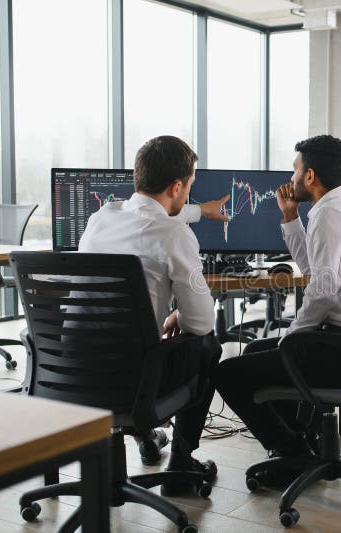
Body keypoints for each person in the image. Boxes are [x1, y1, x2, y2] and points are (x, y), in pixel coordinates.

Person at [214, 134, 341, 462]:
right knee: (254, 349)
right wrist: (290, 216)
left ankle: (293, 453)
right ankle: (303, 438)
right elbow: (315, 269)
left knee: (226, 373)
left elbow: (321, 292)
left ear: (310, 176)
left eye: (294, 171)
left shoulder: (328, 215)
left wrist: (292, 338)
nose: (290, 178)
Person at [78, 135, 226, 495]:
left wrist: (198, 210)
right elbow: (201, 323)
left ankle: (145, 438)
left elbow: (155, 211)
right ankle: (180, 465)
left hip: (74, 374)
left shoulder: (100, 218)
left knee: (139, 344)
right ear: (177, 186)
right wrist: (180, 314)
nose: (189, 195)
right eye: (189, 188)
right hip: (134, 381)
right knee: (208, 345)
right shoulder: (174, 235)